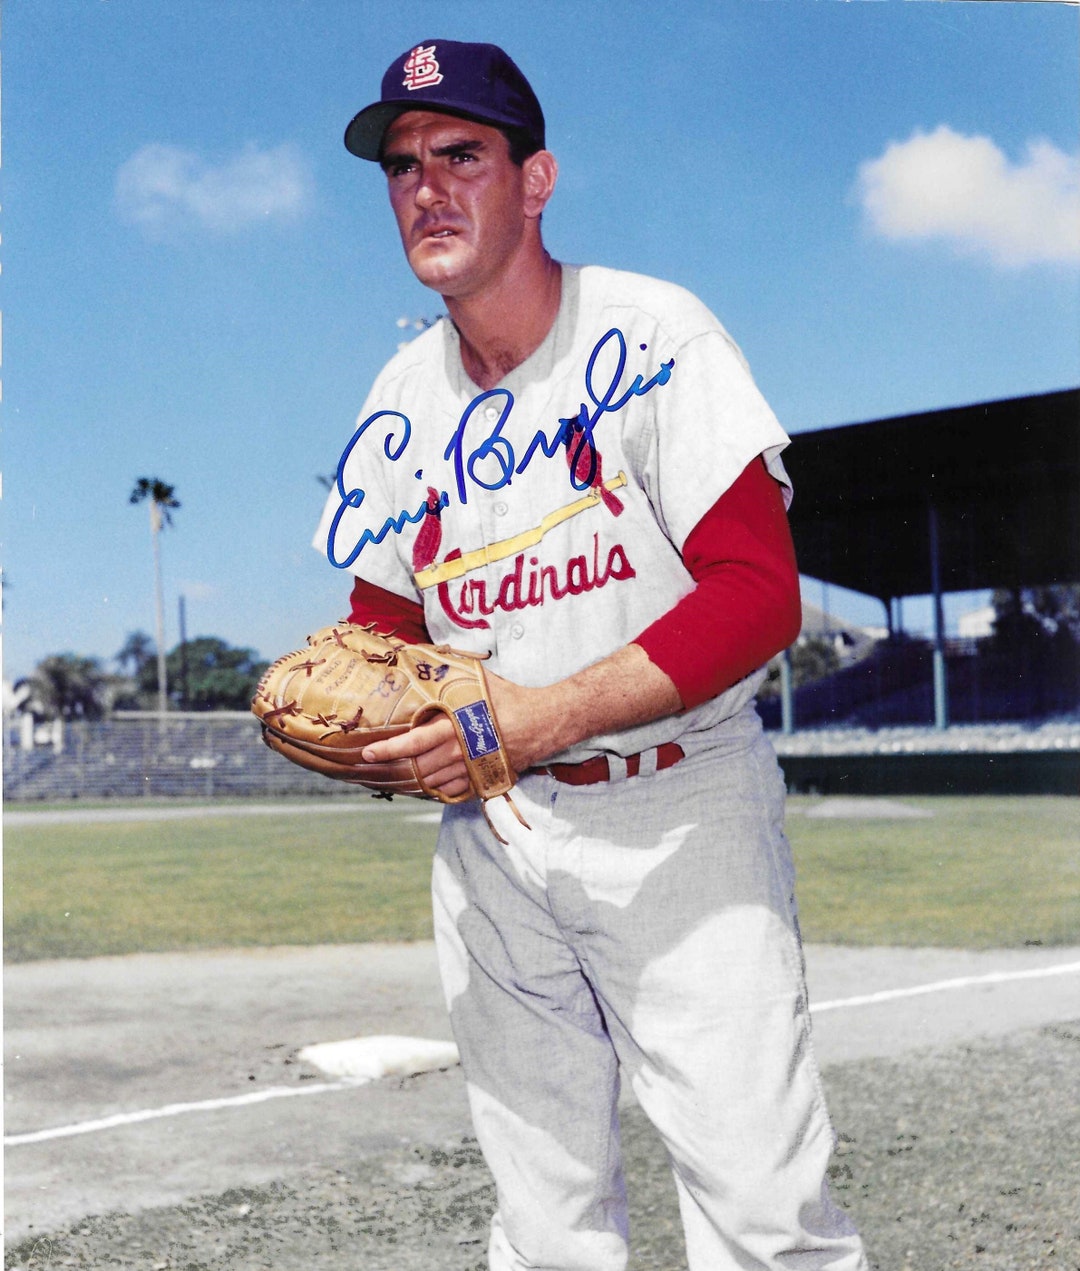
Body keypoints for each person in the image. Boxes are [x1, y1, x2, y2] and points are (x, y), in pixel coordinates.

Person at [314, 38, 866, 1271]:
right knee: (546, 1226)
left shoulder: (654, 330)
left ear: (538, 178)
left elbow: (758, 593)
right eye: (401, 165)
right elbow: (382, 637)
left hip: (677, 808)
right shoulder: (399, 395)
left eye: (462, 154)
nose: (425, 187)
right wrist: (361, 723)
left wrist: (545, 715)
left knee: (765, 1215)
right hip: (495, 840)